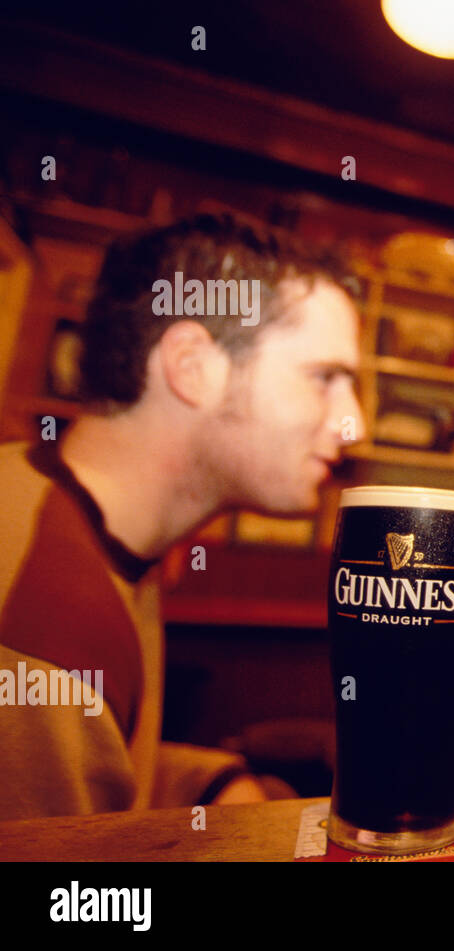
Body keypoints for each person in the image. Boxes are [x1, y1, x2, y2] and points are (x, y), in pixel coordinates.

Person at [0, 213, 364, 819]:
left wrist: (209, 781)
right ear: (191, 366)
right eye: (325, 378)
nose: (355, 423)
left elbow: (102, 772)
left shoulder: (77, 522)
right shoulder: (45, 626)